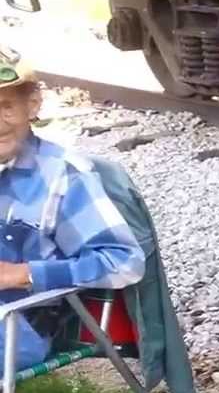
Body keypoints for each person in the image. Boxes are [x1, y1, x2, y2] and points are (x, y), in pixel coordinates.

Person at [0, 46, 145, 371]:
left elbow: (125, 262)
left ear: (32, 104)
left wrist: (21, 274)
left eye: (6, 106)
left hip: (19, 323)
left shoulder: (62, 176)